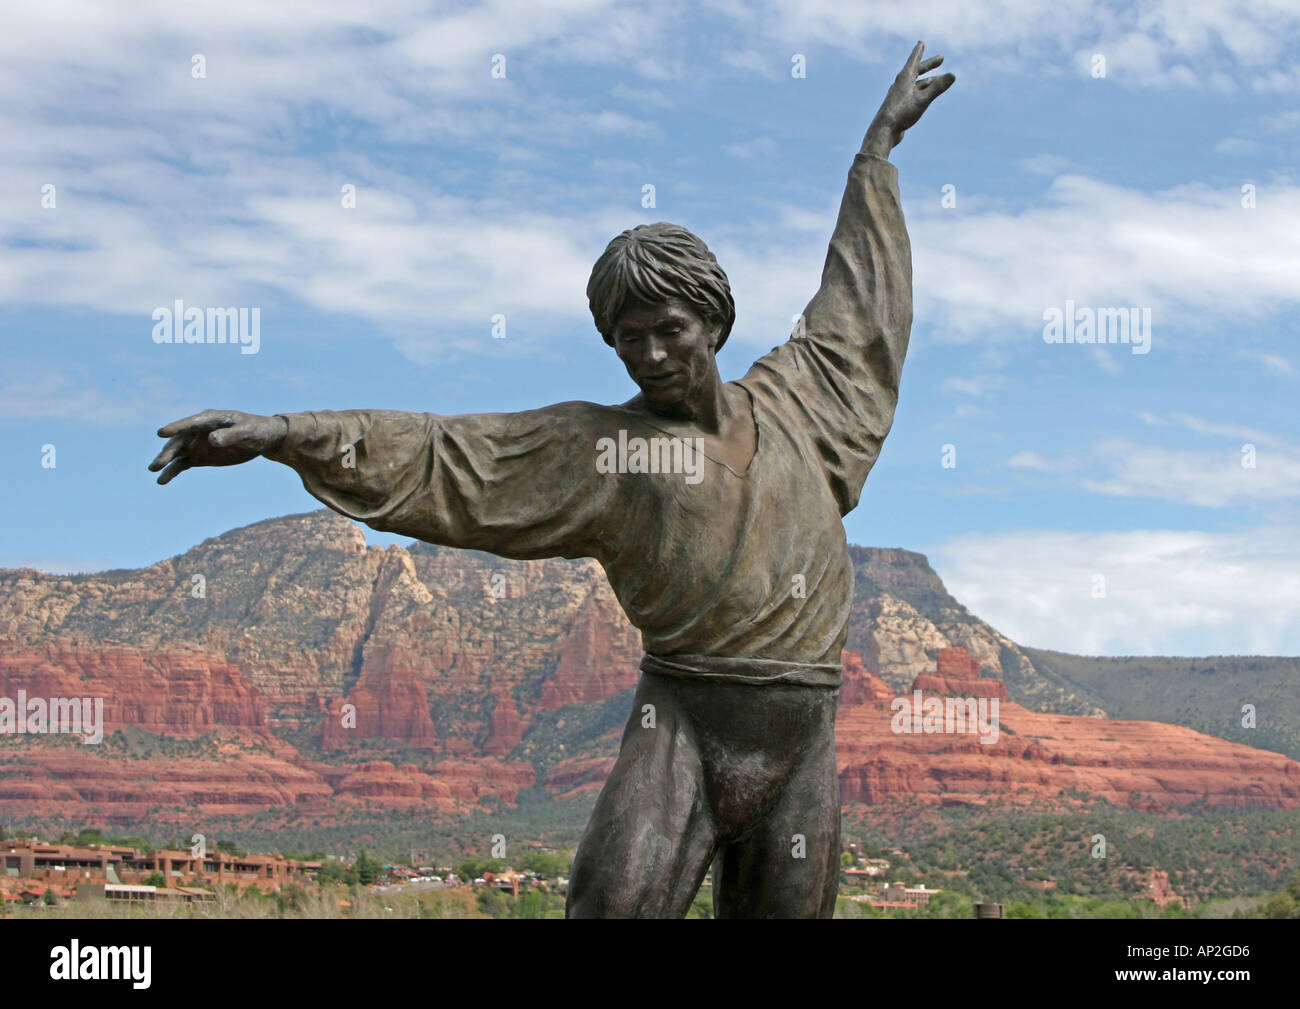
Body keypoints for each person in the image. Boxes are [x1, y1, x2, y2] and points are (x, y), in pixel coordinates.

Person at [149, 42, 954, 918]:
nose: (649, 355)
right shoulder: (605, 450)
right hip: (680, 726)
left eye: (668, 329)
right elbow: (450, 457)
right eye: (628, 339)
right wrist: (287, 435)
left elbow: (858, 310)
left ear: (714, 319)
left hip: (802, 733)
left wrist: (874, 157)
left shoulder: (805, 408)